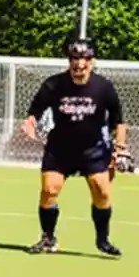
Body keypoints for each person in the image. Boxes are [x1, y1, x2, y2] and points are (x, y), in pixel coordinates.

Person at [20, 38, 129, 256]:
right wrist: (29, 123)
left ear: (92, 61)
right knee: (49, 190)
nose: (79, 66)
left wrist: (121, 147)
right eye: (75, 61)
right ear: (69, 61)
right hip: (60, 149)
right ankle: (48, 239)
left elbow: (119, 121)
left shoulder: (104, 87)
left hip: (94, 149)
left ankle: (102, 240)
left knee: (102, 192)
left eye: (84, 61)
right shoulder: (53, 85)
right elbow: (34, 113)